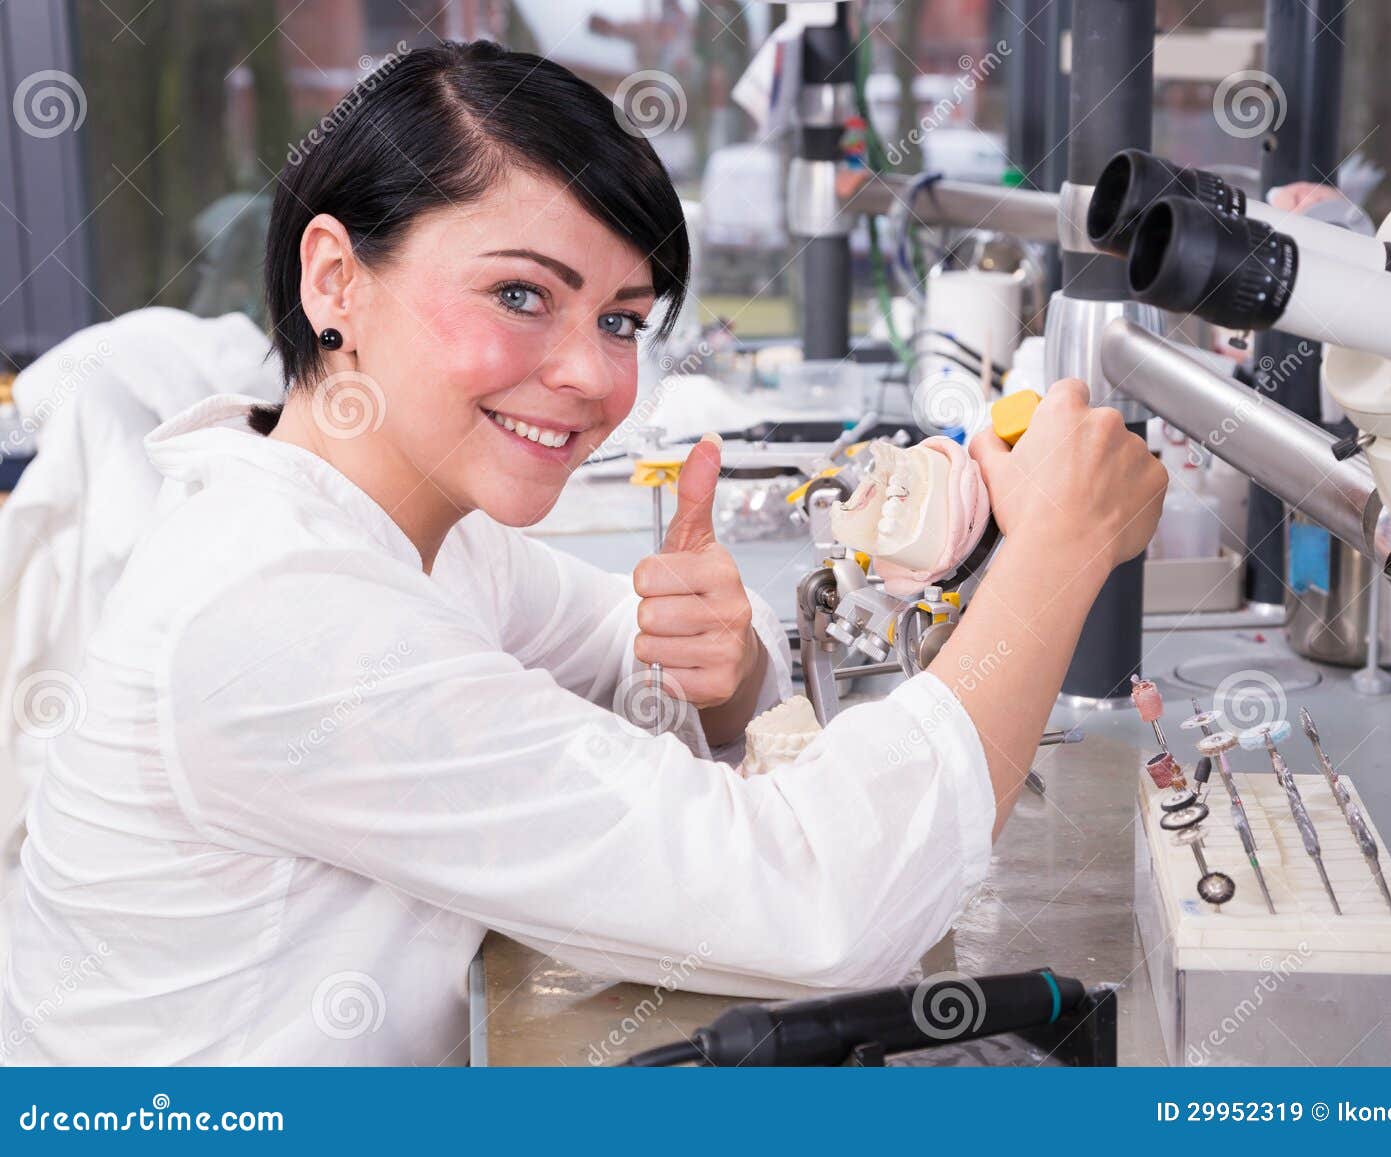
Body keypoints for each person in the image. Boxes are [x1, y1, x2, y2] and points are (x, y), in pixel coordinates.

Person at [0, 42, 1165, 1065]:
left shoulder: (405, 526)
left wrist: (725, 666)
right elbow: (816, 900)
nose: (592, 376)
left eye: (618, 318)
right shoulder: (280, 609)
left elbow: (632, 643)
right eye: (520, 292)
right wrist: (1055, 556)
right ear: (333, 277)